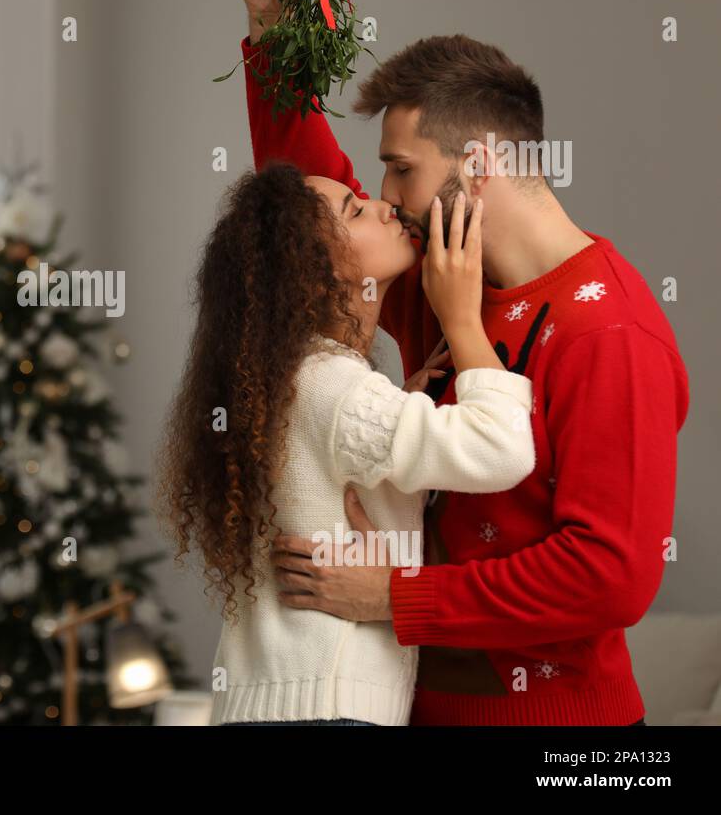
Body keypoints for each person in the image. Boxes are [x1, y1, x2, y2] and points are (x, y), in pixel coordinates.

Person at [236, 0, 688, 725]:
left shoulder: (609, 333)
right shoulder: (442, 275)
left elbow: (610, 576)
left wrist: (398, 596)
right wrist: (275, 29)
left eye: (401, 170)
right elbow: (319, 215)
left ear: (477, 167)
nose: (384, 194)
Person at [155, 162, 535, 726]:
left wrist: (403, 400)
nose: (385, 206)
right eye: (355, 211)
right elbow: (502, 449)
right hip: (329, 711)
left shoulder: (294, 378)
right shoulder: (334, 387)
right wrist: (463, 323)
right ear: (312, 273)